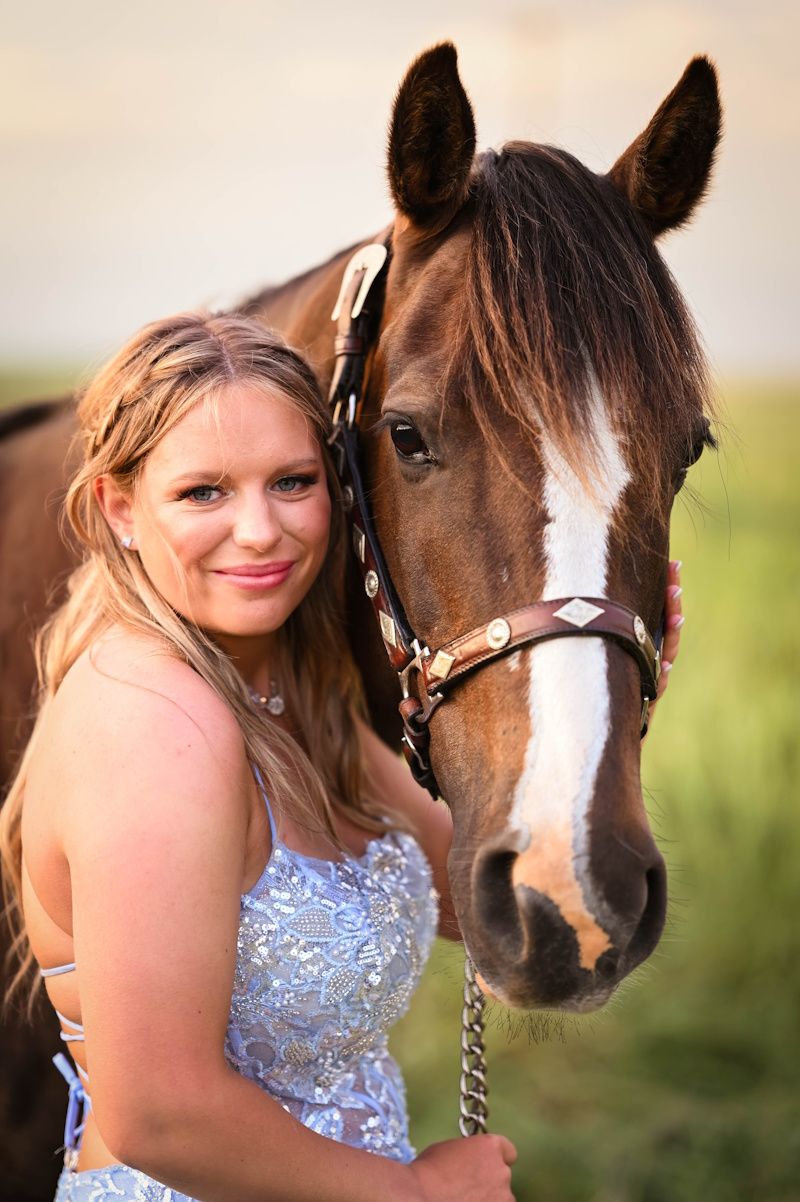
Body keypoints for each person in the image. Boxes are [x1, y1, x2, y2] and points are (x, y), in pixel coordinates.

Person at [0, 312, 683, 1202]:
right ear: (120, 508)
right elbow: (157, 1114)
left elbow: (472, 897)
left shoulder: (290, 695)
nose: (259, 531)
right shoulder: (154, 723)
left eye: (292, 481)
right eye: (203, 493)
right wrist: (417, 1194)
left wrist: (601, 703)